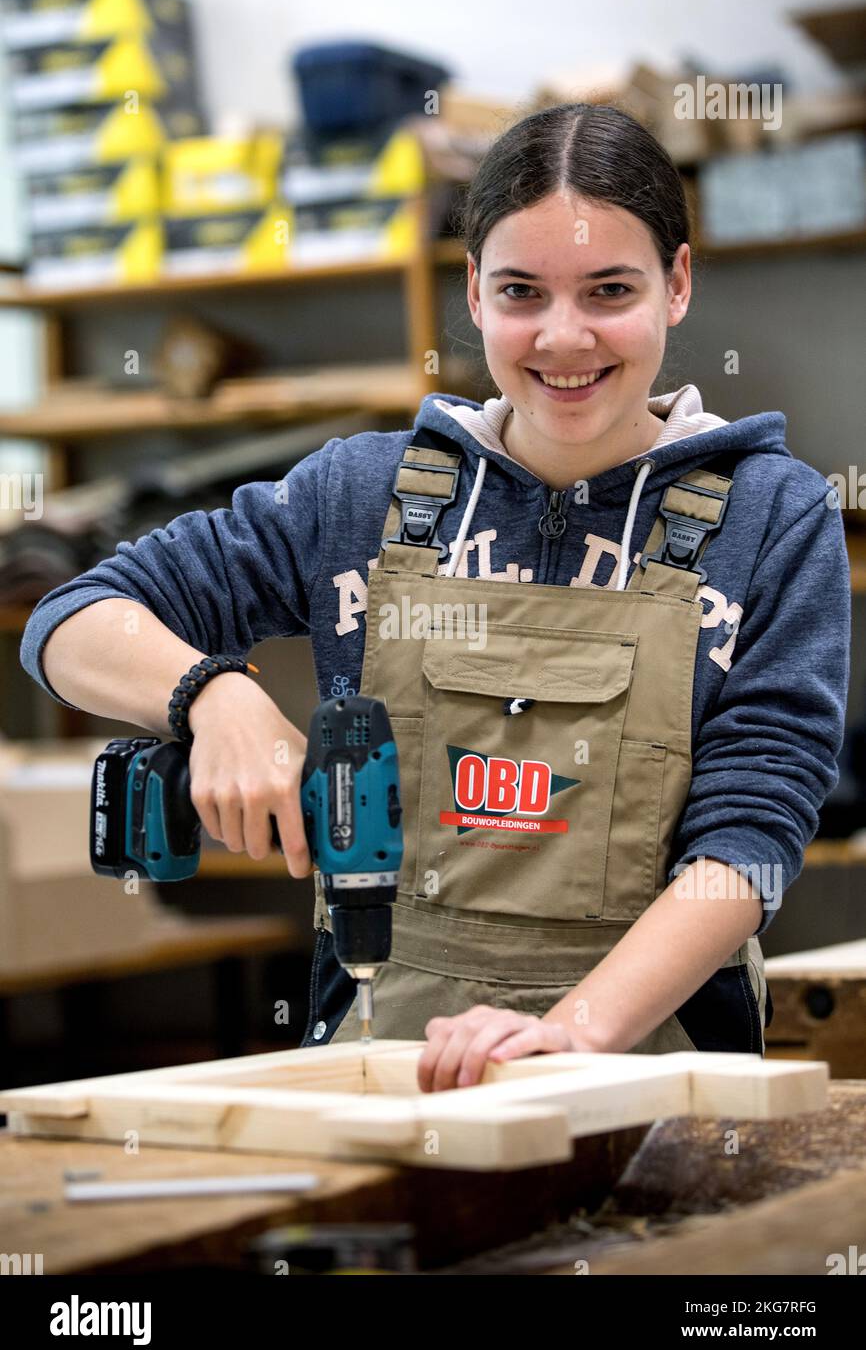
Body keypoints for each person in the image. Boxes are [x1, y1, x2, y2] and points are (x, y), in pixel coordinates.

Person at [20, 104, 850, 1094]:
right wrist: (215, 697)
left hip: (654, 1083)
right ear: (472, 292)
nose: (562, 334)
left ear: (675, 285)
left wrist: (573, 1033)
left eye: (608, 289)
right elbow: (67, 618)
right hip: (379, 1072)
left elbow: (748, 841)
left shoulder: (771, 513)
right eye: (519, 291)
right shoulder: (359, 495)